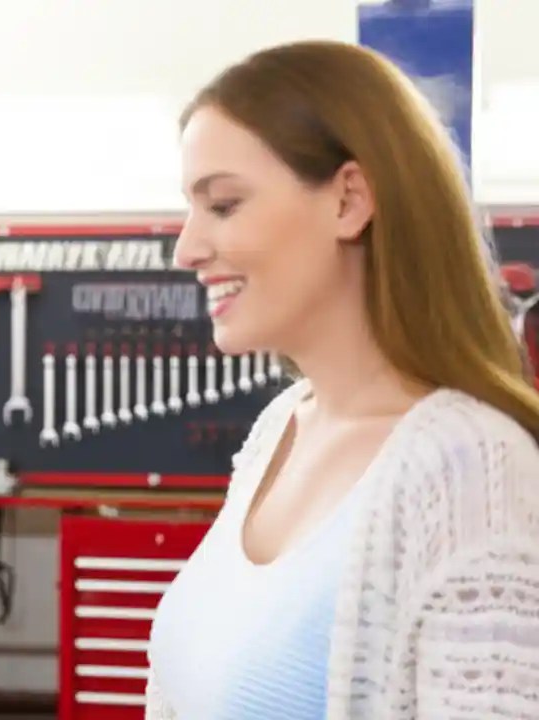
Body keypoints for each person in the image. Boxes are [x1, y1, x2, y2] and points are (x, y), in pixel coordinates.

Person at [145, 40, 539, 719]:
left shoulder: (468, 469)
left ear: (349, 201)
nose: (186, 247)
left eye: (224, 204)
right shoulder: (281, 430)